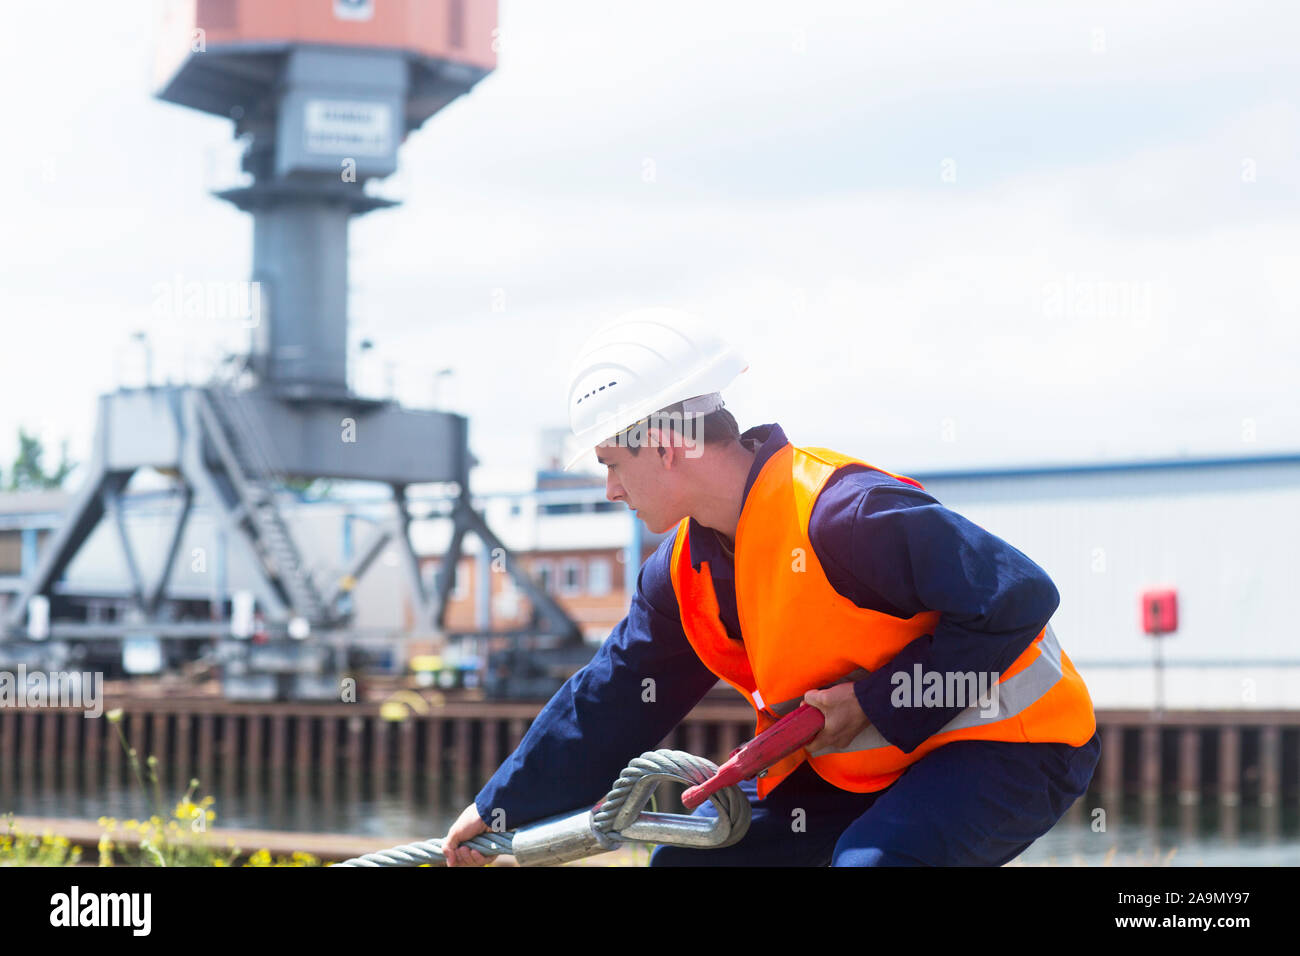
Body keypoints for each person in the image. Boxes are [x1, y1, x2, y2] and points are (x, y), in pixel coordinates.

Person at [441, 307, 1099, 867]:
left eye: (614, 464)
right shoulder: (678, 574)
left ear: (667, 446)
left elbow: (1017, 597)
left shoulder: (844, 512)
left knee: (875, 863)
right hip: (859, 765)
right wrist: (499, 806)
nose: (610, 489)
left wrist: (873, 701)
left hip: (1012, 744)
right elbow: (614, 697)